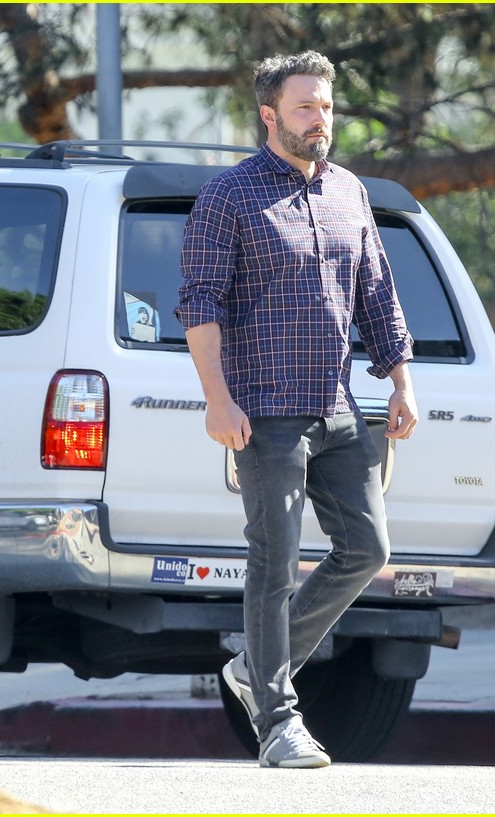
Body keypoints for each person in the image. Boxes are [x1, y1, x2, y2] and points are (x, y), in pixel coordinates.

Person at [175, 50, 417, 769]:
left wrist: (400, 380)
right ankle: (277, 718)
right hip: (265, 412)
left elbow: (377, 292)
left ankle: (254, 668)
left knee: (368, 547)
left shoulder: (349, 194)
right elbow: (199, 305)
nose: (322, 119)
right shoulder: (228, 198)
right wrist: (217, 399)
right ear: (270, 115)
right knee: (273, 562)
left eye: (328, 106)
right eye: (307, 107)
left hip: (339, 406)